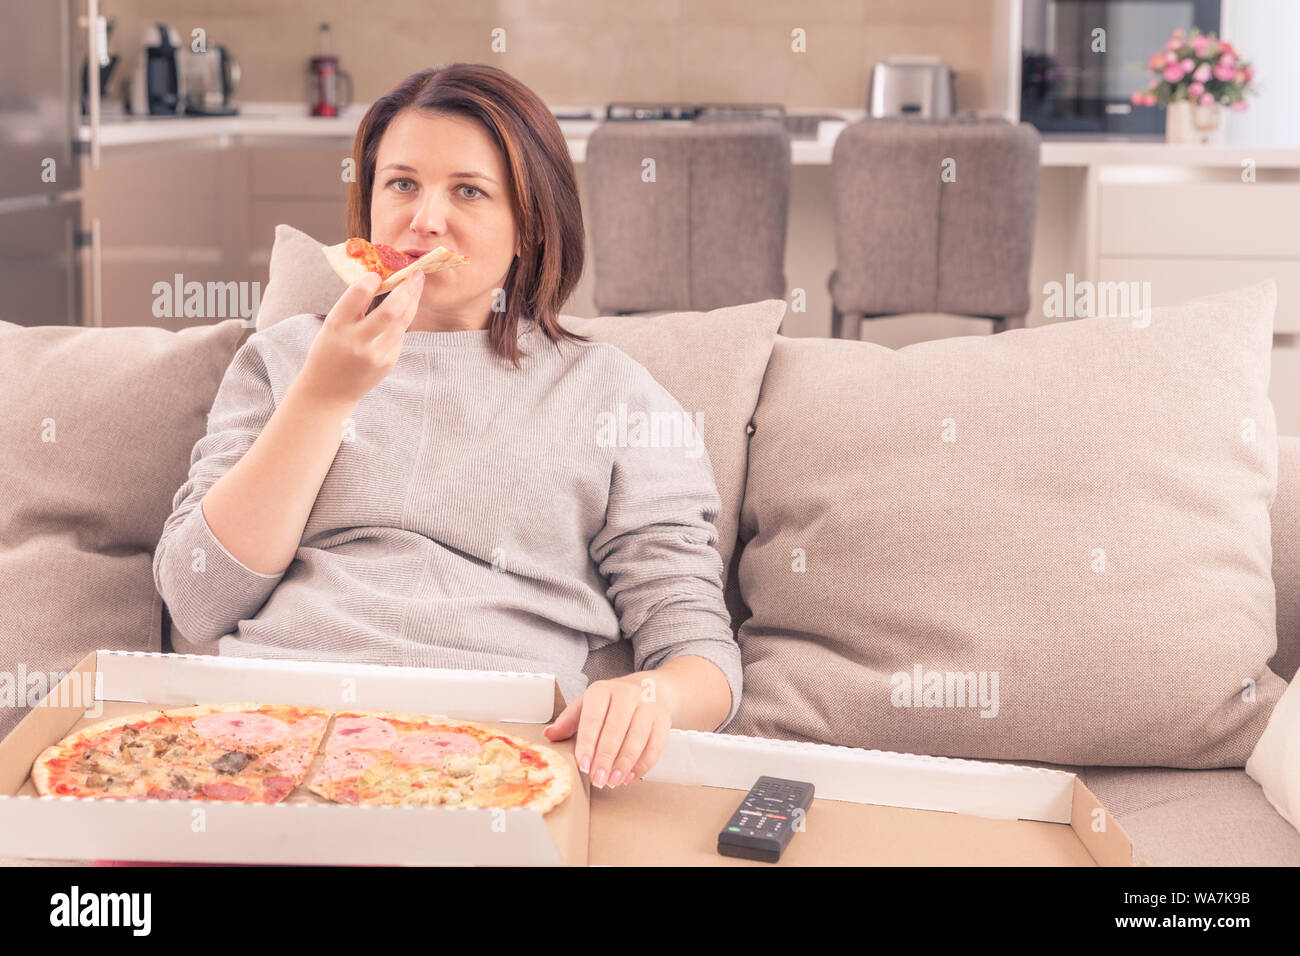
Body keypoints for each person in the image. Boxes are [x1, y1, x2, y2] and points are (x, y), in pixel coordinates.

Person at [152, 63, 742, 793]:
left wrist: (655, 697)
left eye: (468, 190)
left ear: (529, 225)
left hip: (489, 760)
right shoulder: (283, 360)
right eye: (401, 184)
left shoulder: (611, 390)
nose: (424, 219)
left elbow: (698, 650)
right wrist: (322, 398)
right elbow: (197, 599)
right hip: (271, 733)